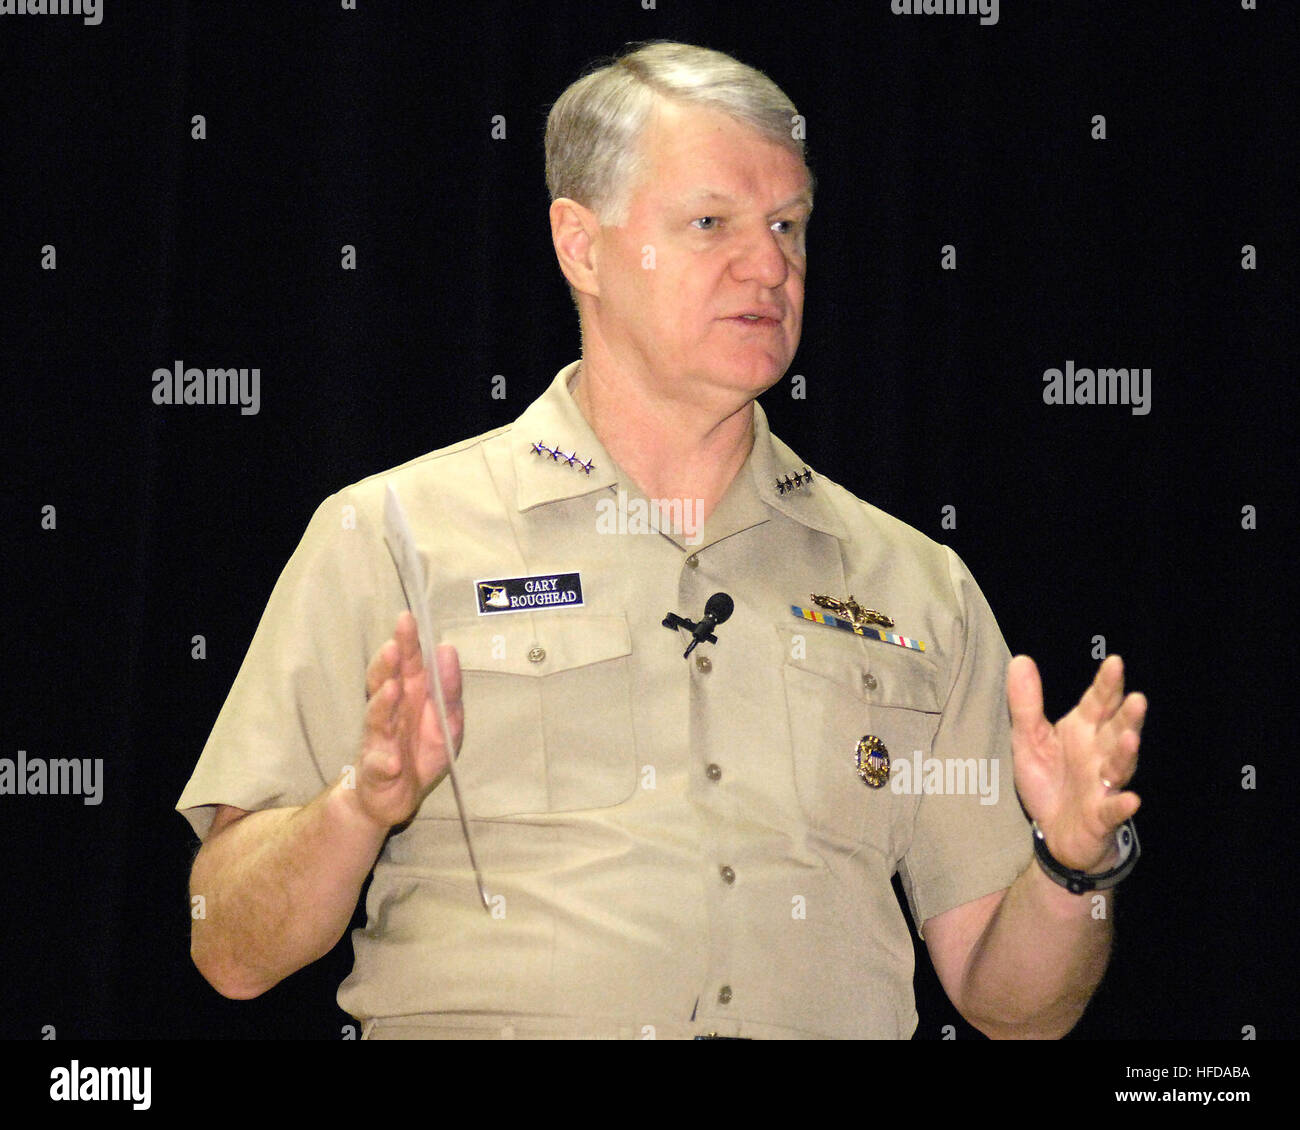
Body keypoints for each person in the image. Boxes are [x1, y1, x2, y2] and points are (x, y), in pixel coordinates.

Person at [177, 41, 1145, 1040]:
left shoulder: (914, 583)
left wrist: (1073, 863)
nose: (767, 263)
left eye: (787, 226)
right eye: (710, 223)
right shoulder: (391, 534)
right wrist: (357, 804)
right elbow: (228, 946)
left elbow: (1014, 1006)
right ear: (581, 245)